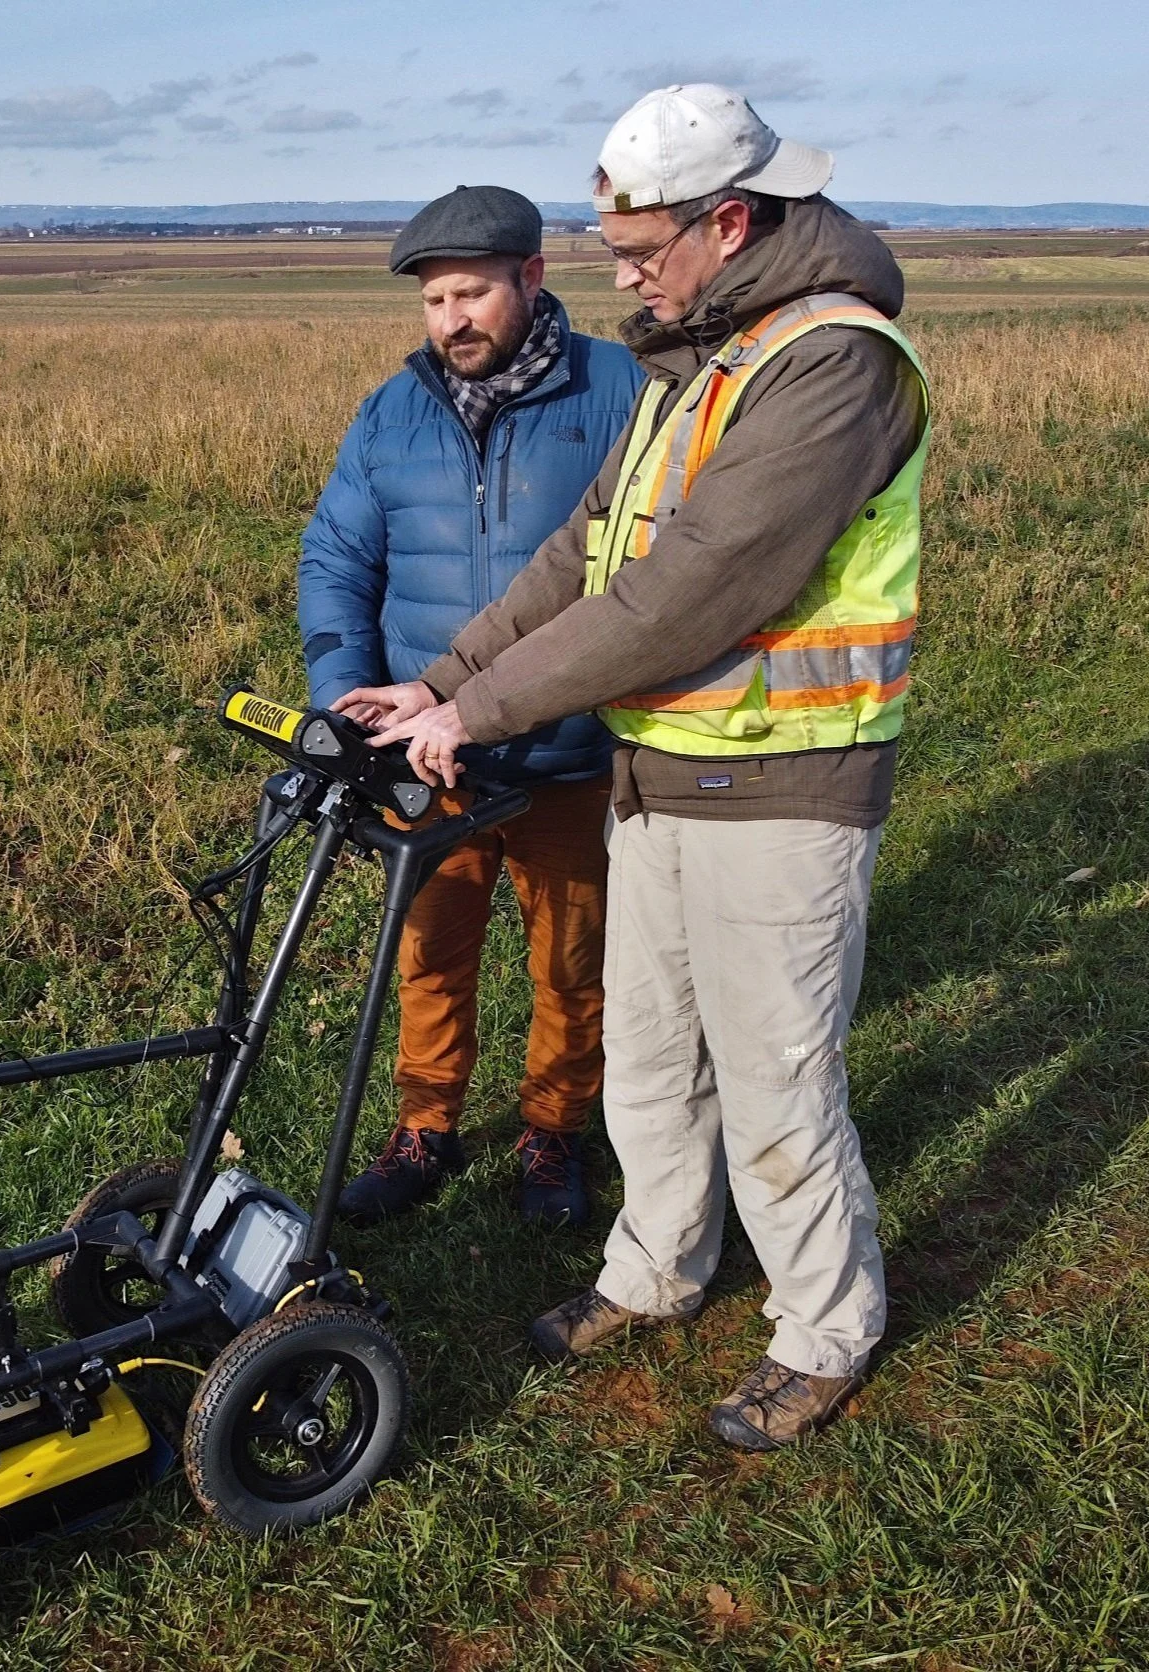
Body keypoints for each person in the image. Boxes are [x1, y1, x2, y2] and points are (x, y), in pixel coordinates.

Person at [337, 85, 929, 1449]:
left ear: (726, 222)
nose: (619, 277)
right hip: (655, 775)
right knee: (649, 1066)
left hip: (784, 785)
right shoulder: (696, 364)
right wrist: (434, 679)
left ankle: (823, 1328)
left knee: (778, 1079)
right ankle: (651, 1270)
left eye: (639, 248)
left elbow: (686, 595)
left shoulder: (832, 363)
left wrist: (477, 715)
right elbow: (581, 557)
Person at [298, 184, 643, 1228]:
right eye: (433, 299)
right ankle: (427, 1126)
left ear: (531, 280)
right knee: (430, 952)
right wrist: (344, 707)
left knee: (571, 962)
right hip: (424, 755)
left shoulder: (620, 390)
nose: (450, 318)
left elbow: (643, 572)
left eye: (470, 294)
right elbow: (336, 557)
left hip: (568, 748)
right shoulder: (391, 410)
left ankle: (552, 1131)